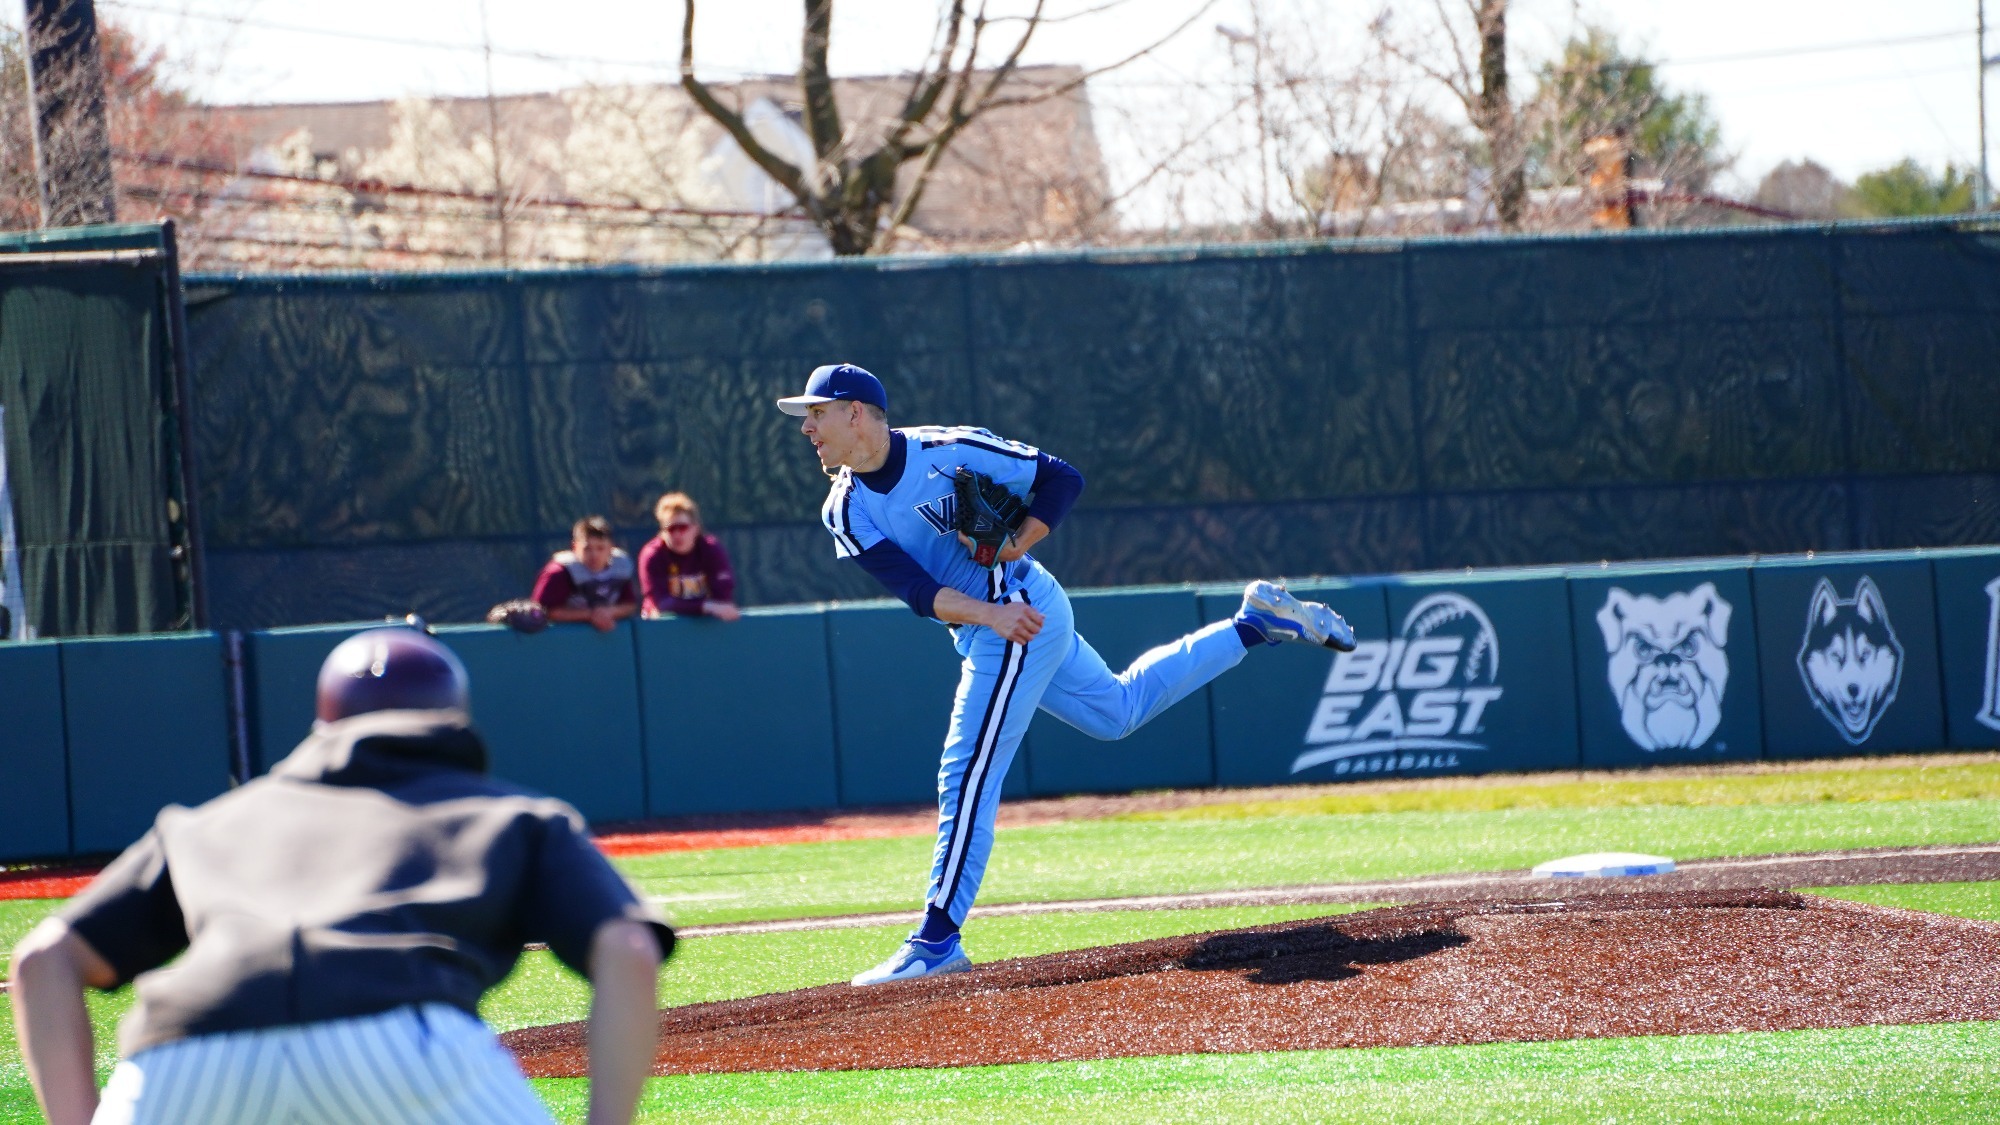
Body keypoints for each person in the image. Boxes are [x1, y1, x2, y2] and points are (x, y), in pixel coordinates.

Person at [777, 362, 1355, 986]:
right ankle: (1253, 624)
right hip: (992, 622)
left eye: (816, 412)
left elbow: (1060, 478)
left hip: (1023, 614)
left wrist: (1016, 543)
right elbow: (916, 589)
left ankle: (937, 939)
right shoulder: (844, 507)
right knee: (1117, 712)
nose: (807, 427)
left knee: (966, 770)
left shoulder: (949, 449)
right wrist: (988, 613)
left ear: (855, 412)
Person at [9, 623, 672, 1125]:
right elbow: (628, 948)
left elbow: (41, 960)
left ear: (323, 722)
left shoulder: (206, 822)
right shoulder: (517, 815)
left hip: (180, 1057)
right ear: (455, 718)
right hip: (399, 1039)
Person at [637, 492, 740, 622]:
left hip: (704, 626)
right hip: (663, 628)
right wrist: (705, 606)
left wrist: (708, 608)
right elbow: (662, 604)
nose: (677, 534)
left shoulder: (711, 550)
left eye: (683, 527)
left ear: (696, 528)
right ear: (662, 531)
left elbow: (723, 600)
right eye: (671, 529)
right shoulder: (653, 555)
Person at [534, 515, 640, 633]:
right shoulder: (559, 572)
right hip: (563, 638)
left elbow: (630, 604)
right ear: (574, 547)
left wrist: (610, 612)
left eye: (600, 548)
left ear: (610, 548)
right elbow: (543, 612)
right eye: (587, 549)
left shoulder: (620, 568)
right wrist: (591, 615)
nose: (594, 555)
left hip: (606, 637)